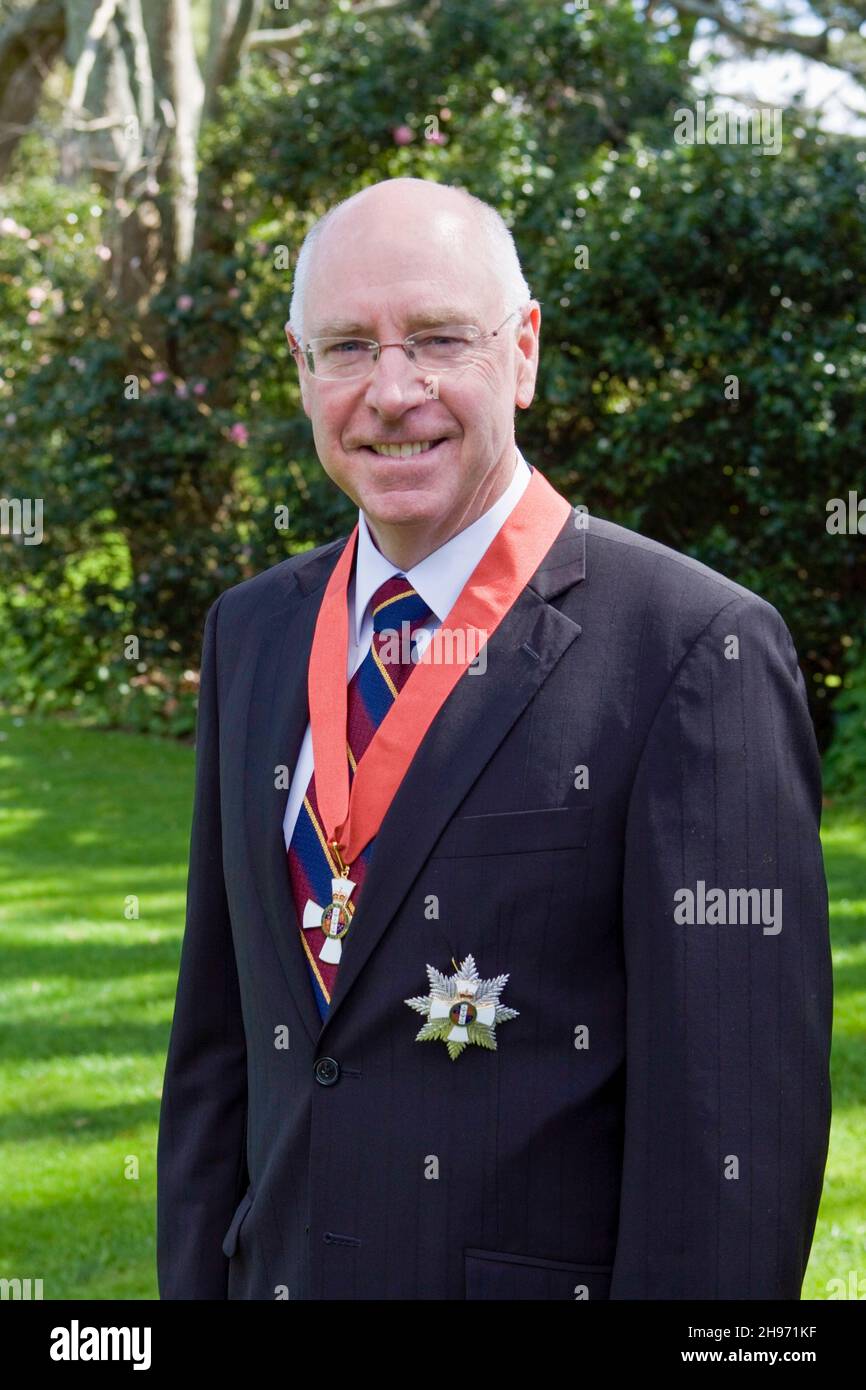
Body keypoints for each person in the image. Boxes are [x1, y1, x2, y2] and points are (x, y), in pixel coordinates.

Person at [156, 176, 832, 1301]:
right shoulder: (253, 633)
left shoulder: (690, 650)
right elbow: (218, 1053)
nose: (392, 391)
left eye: (435, 339)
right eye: (346, 348)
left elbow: (732, 1151)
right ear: (300, 369)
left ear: (519, 351)